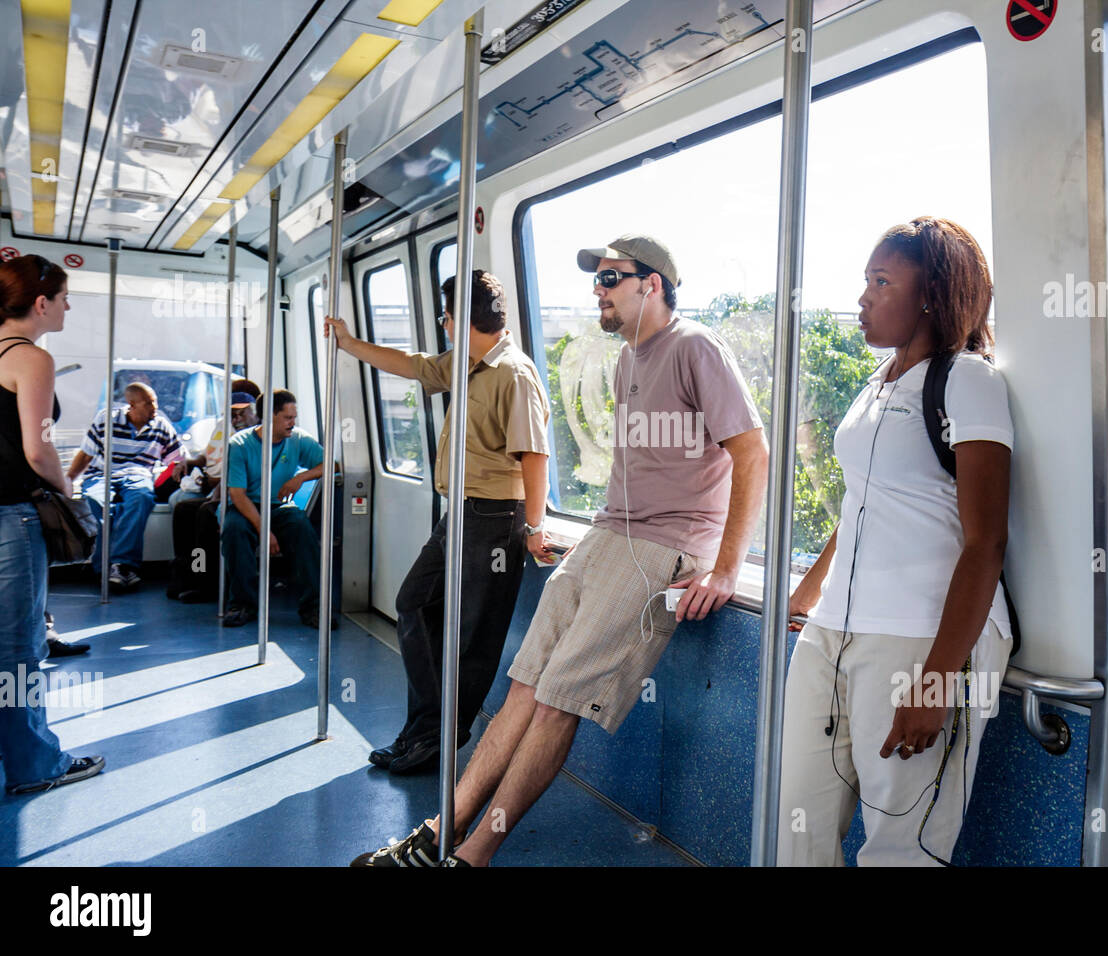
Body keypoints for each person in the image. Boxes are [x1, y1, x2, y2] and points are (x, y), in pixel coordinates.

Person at [351, 234, 769, 866]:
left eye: (609, 279)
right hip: (605, 537)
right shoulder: (630, 359)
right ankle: (440, 830)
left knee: (556, 702)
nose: (596, 290)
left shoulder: (695, 349)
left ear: (650, 284)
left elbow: (751, 454)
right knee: (523, 685)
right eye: (595, 280)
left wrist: (727, 566)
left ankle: (473, 855)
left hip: (662, 546)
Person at [778, 217, 1013, 866]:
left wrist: (937, 683)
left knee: (899, 851)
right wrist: (805, 595)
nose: (862, 298)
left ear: (932, 294)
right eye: (865, 281)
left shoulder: (968, 382)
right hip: (833, 635)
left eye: (881, 282)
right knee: (796, 834)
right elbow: (863, 504)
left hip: (917, 638)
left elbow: (985, 542)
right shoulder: (876, 386)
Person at [324, 270, 552, 775]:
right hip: (464, 513)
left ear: (458, 320)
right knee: (415, 604)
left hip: (496, 518)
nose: (443, 324)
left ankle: (438, 736)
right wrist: (347, 343)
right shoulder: (467, 363)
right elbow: (413, 366)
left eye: (446, 315)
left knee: (473, 637)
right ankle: (428, 724)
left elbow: (535, 457)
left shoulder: (513, 373)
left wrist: (534, 530)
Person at [0, 254, 105, 794]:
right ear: (41, 304)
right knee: (18, 648)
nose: (68, 306)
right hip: (11, 519)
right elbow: (39, 450)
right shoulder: (30, 358)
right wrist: (69, 492)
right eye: (64, 297)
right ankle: (35, 765)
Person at [220, 389, 326, 628]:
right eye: (288, 418)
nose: (293, 423)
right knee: (234, 530)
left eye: (294, 417)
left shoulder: (297, 439)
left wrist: (300, 478)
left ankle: (314, 607)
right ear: (269, 417)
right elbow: (237, 493)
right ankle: (242, 604)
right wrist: (263, 529)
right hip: (247, 505)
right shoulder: (239, 445)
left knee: (301, 527)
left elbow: (330, 463)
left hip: (278, 506)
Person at [66, 381, 182, 590]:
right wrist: (67, 482)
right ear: (131, 404)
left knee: (142, 498)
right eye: (148, 403)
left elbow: (178, 459)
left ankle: (122, 565)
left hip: (137, 474)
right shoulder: (106, 420)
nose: (154, 408)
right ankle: (104, 568)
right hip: (102, 474)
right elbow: (86, 455)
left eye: (155, 402)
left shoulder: (161, 426)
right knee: (97, 503)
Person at [166, 379, 261, 603]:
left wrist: (217, 485)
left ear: (253, 411)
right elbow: (210, 456)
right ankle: (188, 572)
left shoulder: (256, 437)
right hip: (219, 487)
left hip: (243, 494)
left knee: (204, 514)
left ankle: (207, 582)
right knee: (182, 510)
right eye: (233, 413)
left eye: (241, 413)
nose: (236, 418)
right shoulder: (227, 429)